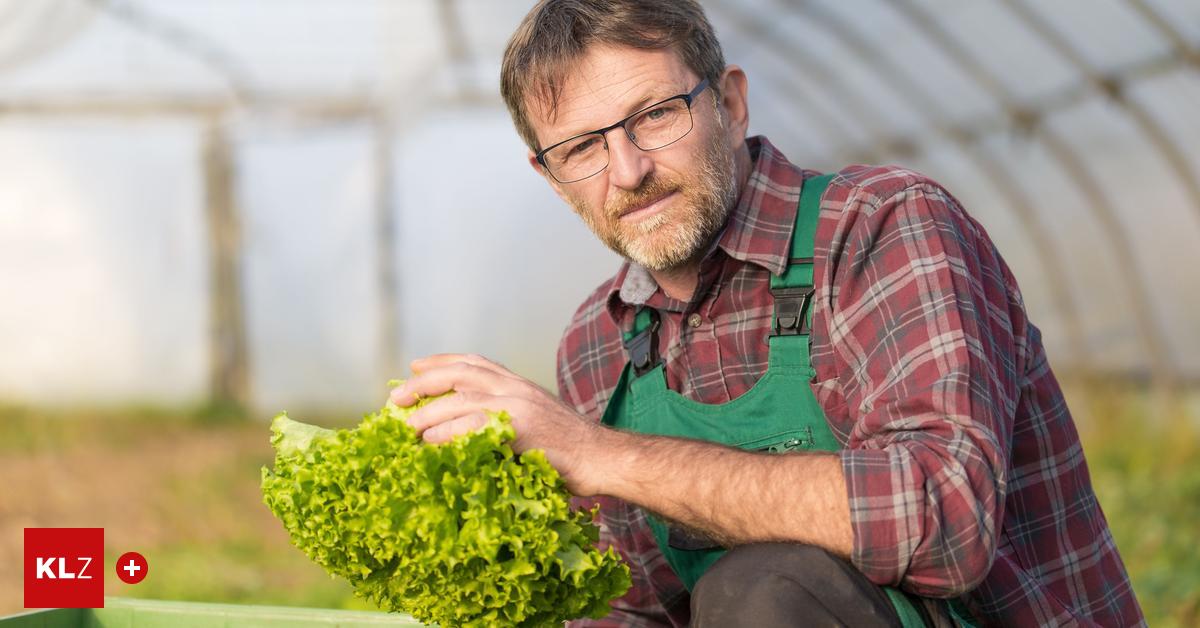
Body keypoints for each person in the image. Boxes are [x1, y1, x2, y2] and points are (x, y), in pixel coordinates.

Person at [389, 1, 1144, 625]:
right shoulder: (599, 342)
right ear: (552, 178)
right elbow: (647, 609)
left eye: (654, 116)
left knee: (763, 590)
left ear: (729, 101)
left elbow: (945, 519)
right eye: (582, 148)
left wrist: (599, 454)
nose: (629, 171)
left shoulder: (881, 228)